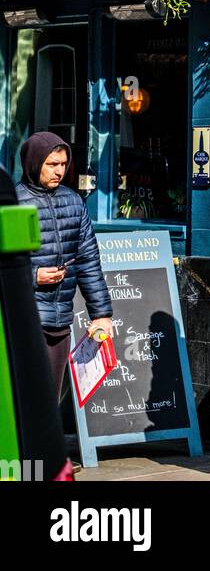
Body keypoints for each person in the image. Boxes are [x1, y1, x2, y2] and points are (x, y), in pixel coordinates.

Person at [16, 131, 113, 400]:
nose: (59, 171)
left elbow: (89, 261)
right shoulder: (13, 204)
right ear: (34, 163)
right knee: (23, 403)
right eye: (51, 164)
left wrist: (101, 314)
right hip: (24, 319)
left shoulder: (74, 202)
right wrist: (33, 276)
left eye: (63, 164)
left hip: (60, 320)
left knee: (50, 402)